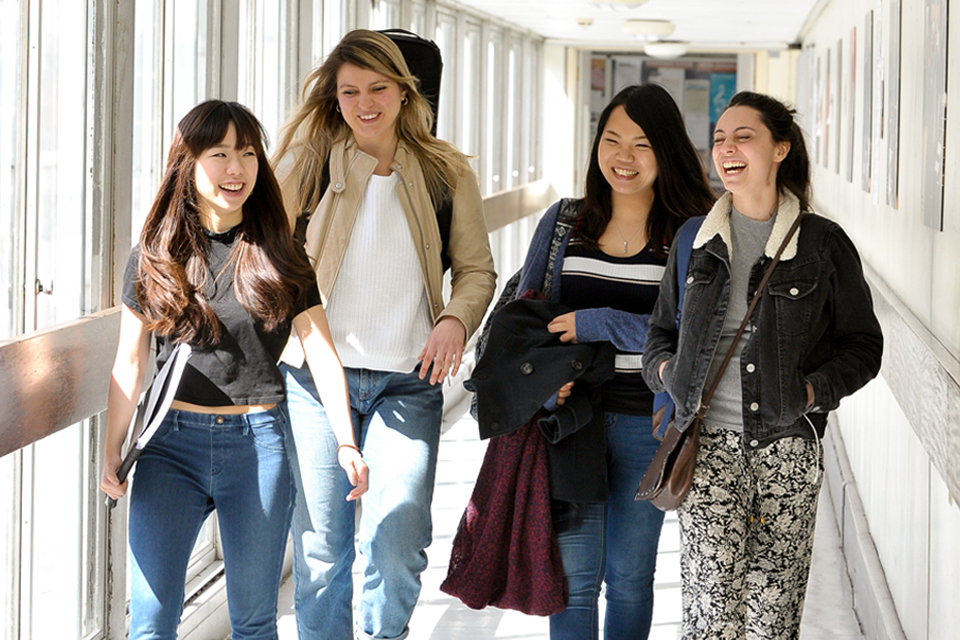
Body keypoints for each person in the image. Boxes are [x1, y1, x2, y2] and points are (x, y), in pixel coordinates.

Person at [99, 100, 367, 640]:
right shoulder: (155, 254)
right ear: (188, 163)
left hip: (258, 444)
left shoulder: (282, 254)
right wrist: (111, 449)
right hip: (169, 447)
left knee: (252, 622)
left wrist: (346, 441)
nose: (236, 168)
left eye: (247, 153)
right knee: (151, 622)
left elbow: (321, 352)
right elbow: (129, 361)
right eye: (218, 153)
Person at [271, 29, 496, 640]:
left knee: (397, 539)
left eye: (377, 87)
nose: (364, 102)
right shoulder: (306, 164)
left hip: (408, 383)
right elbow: (261, 249)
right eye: (349, 91)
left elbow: (477, 269)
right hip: (317, 384)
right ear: (334, 97)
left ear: (403, 91)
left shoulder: (446, 172)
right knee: (320, 551)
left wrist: (455, 318)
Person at [643, 91, 884, 639]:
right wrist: (665, 373)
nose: (726, 148)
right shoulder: (693, 239)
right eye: (719, 139)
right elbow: (660, 332)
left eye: (742, 136)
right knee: (711, 614)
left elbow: (864, 346)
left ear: (780, 149)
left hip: (786, 448)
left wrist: (809, 394)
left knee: (773, 616)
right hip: (706, 452)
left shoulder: (823, 243)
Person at [512, 83, 715, 640]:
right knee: (573, 582)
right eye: (612, 140)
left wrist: (599, 322)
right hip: (570, 423)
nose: (623, 157)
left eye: (642, 144)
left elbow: (694, 339)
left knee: (629, 577)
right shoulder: (565, 223)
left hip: (647, 426)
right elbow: (528, 317)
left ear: (668, 151)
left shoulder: (692, 234)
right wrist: (545, 383)